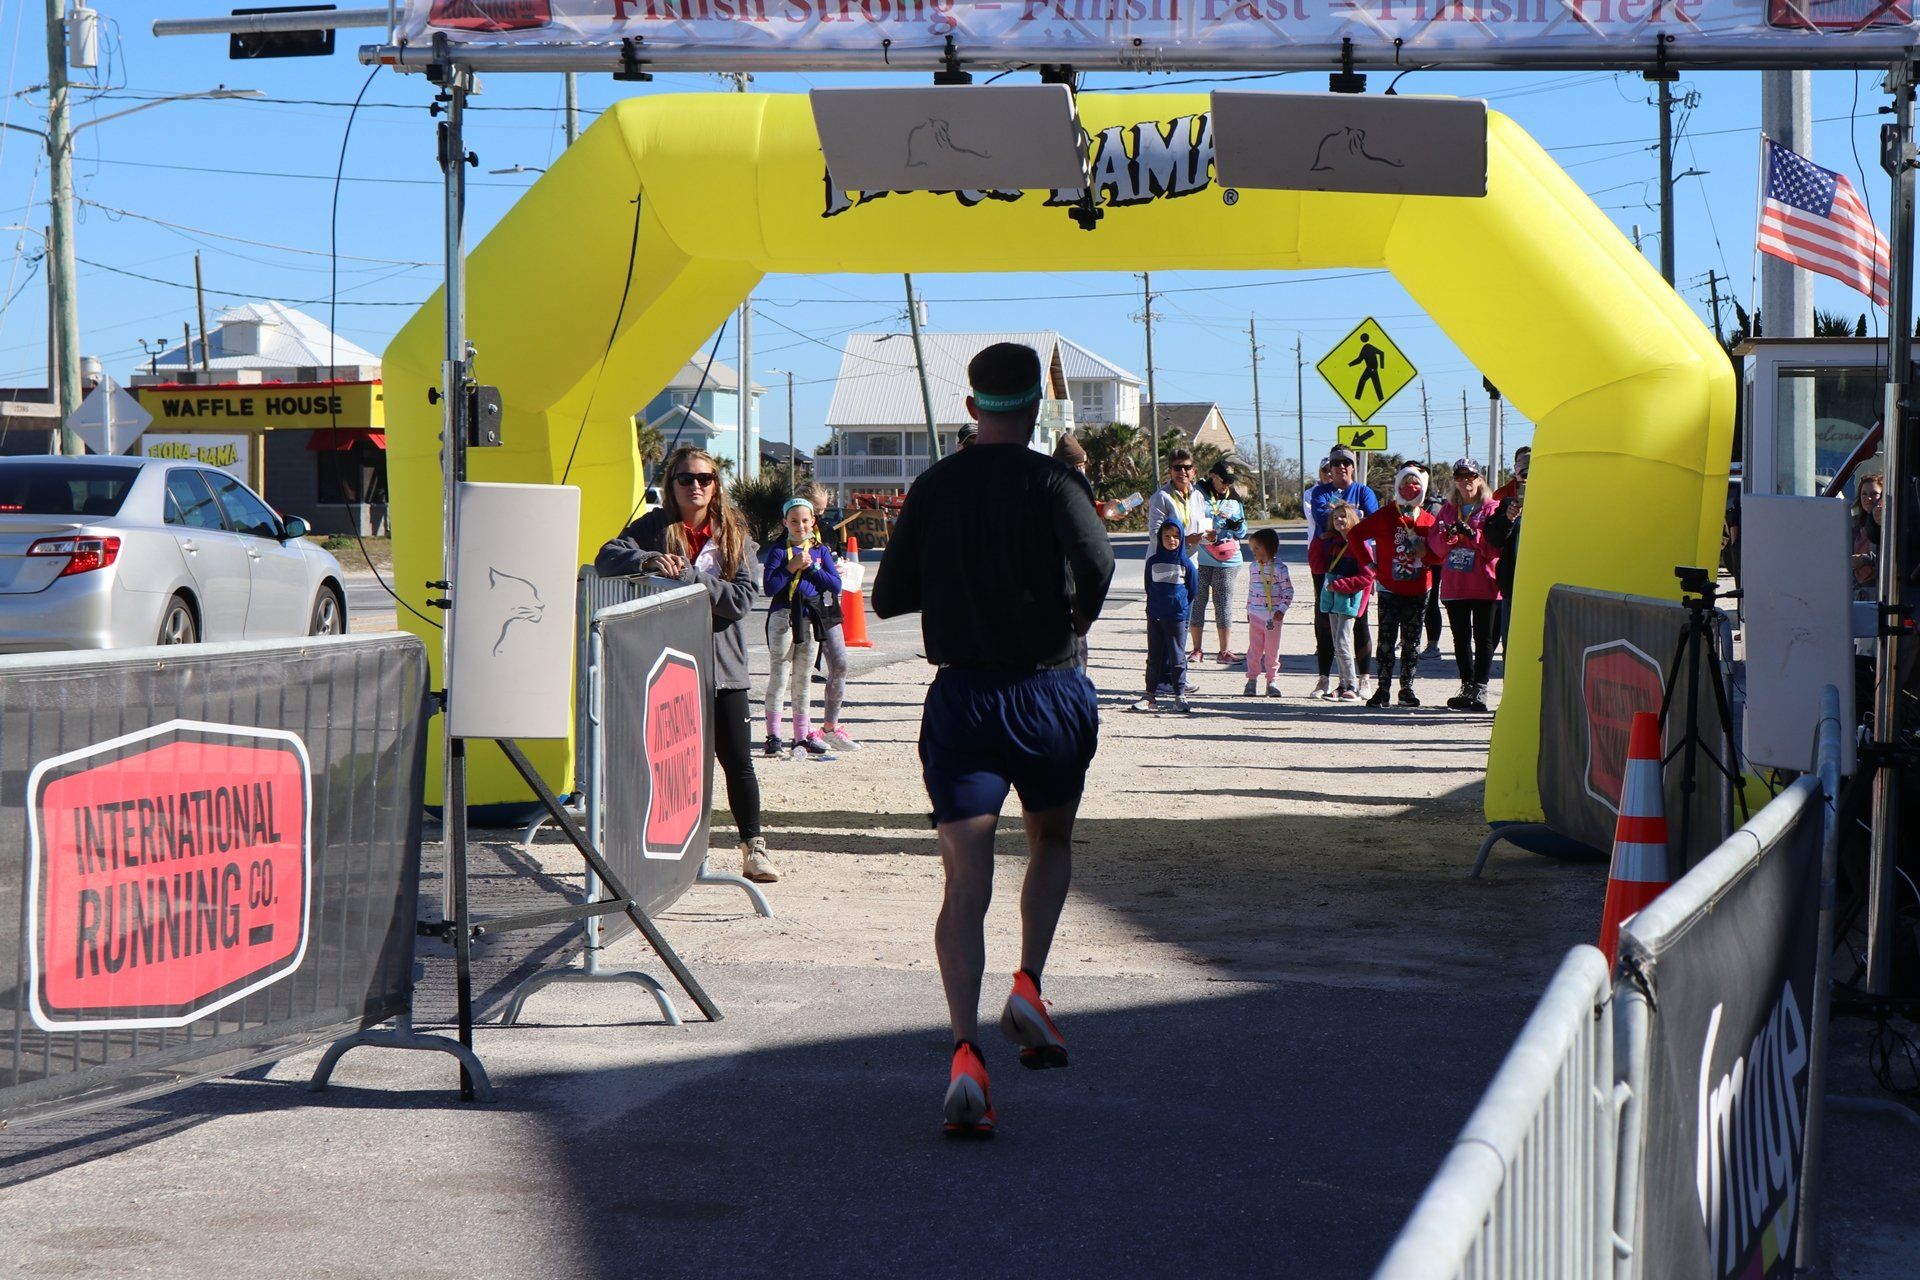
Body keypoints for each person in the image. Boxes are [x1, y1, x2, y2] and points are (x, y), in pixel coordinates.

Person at [871, 341, 1115, 1137]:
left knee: (963, 881)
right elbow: (1099, 560)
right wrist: (1071, 614)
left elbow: (887, 596)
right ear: (1036, 408)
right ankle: (1030, 983)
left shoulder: (935, 485)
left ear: (971, 409)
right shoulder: (1055, 479)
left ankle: (965, 1053)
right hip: (1046, 688)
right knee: (1051, 841)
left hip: (964, 697)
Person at [596, 445, 777, 883]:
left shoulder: (737, 536)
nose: (695, 486)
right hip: (667, 669)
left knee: (738, 762)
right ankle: (661, 857)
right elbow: (605, 557)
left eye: (705, 479)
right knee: (668, 764)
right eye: (685, 479)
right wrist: (646, 559)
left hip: (723, 670)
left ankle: (753, 848)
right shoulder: (656, 527)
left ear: (716, 486)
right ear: (670, 485)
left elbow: (738, 602)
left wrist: (688, 577)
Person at [1335, 464, 1441, 708]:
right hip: (1388, 589)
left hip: (1419, 590)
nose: (1409, 490)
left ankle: (1407, 689)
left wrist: (1430, 555)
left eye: (1415, 487)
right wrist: (1370, 566)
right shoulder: (1384, 515)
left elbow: (1438, 556)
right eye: (1405, 485)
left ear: (1423, 490)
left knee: (1412, 643)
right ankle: (1382, 689)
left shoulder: (1429, 520)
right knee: (1386, 641)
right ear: (1397, 487)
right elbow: (1355, 535)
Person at [760, 496, 841, 760]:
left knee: (803, 679)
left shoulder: (820, 551)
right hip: (783, 618)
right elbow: (770, 587)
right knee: (780, 676)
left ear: (813, 522)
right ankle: (773, 736)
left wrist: (814, 568)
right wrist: (790, 567)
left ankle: (802, 736)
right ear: (785, 522)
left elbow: (835, 584)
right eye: (794, 521)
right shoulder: (778, 551)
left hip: (809, 618)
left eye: (805, 520)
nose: (800, 526)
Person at [1430, 459, 1502, 713]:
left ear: (1480, 479)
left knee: (1484, 639)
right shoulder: (1448, 510)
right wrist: (1450, 536)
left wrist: (1473, 535)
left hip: (1485, 585)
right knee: (1461, 639)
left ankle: (1480, 688)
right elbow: (1436, 548)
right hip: (1455, 585)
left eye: (1470, 476)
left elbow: (1495, 549)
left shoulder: (1493, 509)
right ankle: (1466, 686)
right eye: (1460, 477)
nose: (1465, 481)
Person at [1307, 447, 1377, 699]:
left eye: (1346, 462)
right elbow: (1322, 515)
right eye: (1335, 463)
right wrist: (1351, 515)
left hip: (1357, 563)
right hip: (1328, 565)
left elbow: (1371, 519)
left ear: (1353, 465)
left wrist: (1342, 514)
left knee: (1358, 620)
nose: (1341, 467)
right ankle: (1326, 679)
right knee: (1325, 621)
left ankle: (1363, 679)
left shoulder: (1363, 491)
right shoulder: (1320, 491)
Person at [806, 485, 861, 752]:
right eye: (815, 509)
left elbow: (833, 561)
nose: (818, 515)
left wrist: (838, 566)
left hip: (829, 606)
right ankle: (801, 731)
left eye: (822, 510)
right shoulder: (791, 531)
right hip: (804, 608)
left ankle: (830, 727)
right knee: (801, 672)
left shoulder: (826, 530)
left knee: (840, 663)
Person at [1136, 516, 1197, 714]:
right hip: (1155, 616)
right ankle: (1150, 696)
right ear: (1160, 538)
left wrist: (1179, 606)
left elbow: (1192, 589)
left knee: (1177, 657)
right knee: (1154, 657)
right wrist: (1155, 607)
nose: (1171, 540)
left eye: (1176, 536)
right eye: (1167, 536)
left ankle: (1179, 696)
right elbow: (1149, 586)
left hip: (1176, 617)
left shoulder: (1186, 564)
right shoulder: (1152, 562)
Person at [1193, 459, 1248, 665]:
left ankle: (1224, 651)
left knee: (1223, 603)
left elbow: (1243, 530)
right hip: (1201, 556)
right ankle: (1197, 649)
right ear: (1213, 476)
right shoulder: (1198, 494)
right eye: (1223, 480)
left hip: (1228, 559)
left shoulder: (1233, 499)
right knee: (1198, 601)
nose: (1227, 484)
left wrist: (1233, 527)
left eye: (1230, 481)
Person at [1319, 501, 1370, 702]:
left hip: (1350, 598)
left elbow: (1368, 576)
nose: (1339, 520)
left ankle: (1353, 687)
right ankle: (1342, 685)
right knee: (1336, 641)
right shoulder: (1335, 543)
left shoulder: (1359, 543)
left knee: (1342, 641)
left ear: (1352, 518)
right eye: (1335, 517)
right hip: (1333, 598)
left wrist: (1340, 584)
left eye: (1343, 516)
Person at [1486, 446, 1528, 651]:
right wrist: (1508, 518)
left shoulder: (1552, 498)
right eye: (1522, 465)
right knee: (1511, 646)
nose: (1527, 472)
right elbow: (1493, 539)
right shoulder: (1505, 500)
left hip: (1540, 584)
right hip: (1512, 582)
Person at [1244, 526, 1293, 697]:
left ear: (1269, 548)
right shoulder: (1252, 567)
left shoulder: (1280, 568)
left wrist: (1282, 610)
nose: (1254, 552)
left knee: (1272, 651)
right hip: (1255, 615)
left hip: (1273, 618)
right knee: (1254, 650)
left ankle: (1272, 681)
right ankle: (1251, 680)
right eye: (1252, 549)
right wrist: (1248, 609)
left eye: (1257, 548)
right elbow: (1251, 589)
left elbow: (1288, 591)